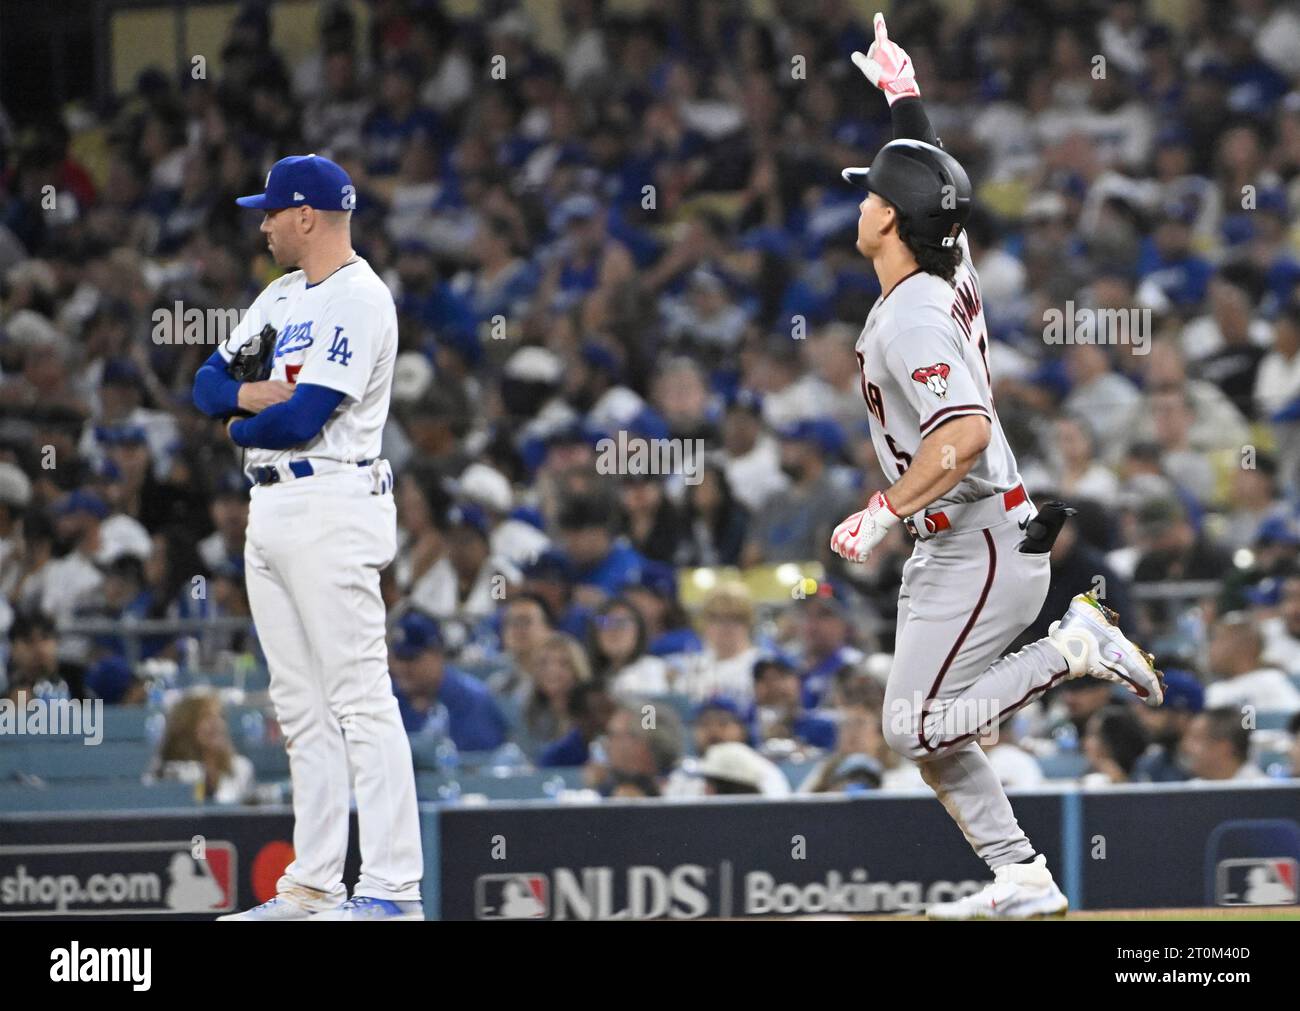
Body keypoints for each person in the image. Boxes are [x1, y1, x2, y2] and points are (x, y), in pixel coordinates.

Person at [828, 16, 1164, 920]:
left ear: (890, 217)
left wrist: (882, 509)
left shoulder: (911, 317)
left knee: (915, 726)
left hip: (978, 537)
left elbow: (967, 431)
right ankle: (1022, 875)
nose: (860, 202)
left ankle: (1074, 644)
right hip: (971, 538)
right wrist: (903, 94)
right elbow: (938, 173)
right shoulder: (945, 254)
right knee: (932, 733)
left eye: (870, 194)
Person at [192, 155, 422, 921]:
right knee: (301, 708)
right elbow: (202, 382)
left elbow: (304, 418)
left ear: (305, 216)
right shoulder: (283, 293)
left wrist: (240, 418)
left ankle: (391, 887)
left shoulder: (359, 296)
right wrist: (247, 399)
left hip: (332, 496)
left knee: (359, 698)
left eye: (270, 212)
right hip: (272, 505)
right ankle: (315, 885)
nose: (261, 225)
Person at [388, 610, 507, 752]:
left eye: (411, 658)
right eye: (398, 658)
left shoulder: (472, 700)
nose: (402, 667)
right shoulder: (389, 700)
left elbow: (481, 765)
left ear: (438, 654)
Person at [148, 691, 255, 805]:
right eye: (206, 717)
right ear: (186, 725)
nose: (217, 723)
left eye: (220, 716)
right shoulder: (165, 771)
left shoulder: (241, 768)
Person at [1204, 612, 1300, 714]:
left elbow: (1293, 721)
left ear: (1245, 646)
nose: (1211, 649)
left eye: (1218, 640)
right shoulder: (1215, 691)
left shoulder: (1270, 680)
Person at [1181, 707, 1268, 782]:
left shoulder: (1264, 793)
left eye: (1196, 739)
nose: (1185, 746)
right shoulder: (1191, 791)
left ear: (1223, 748)